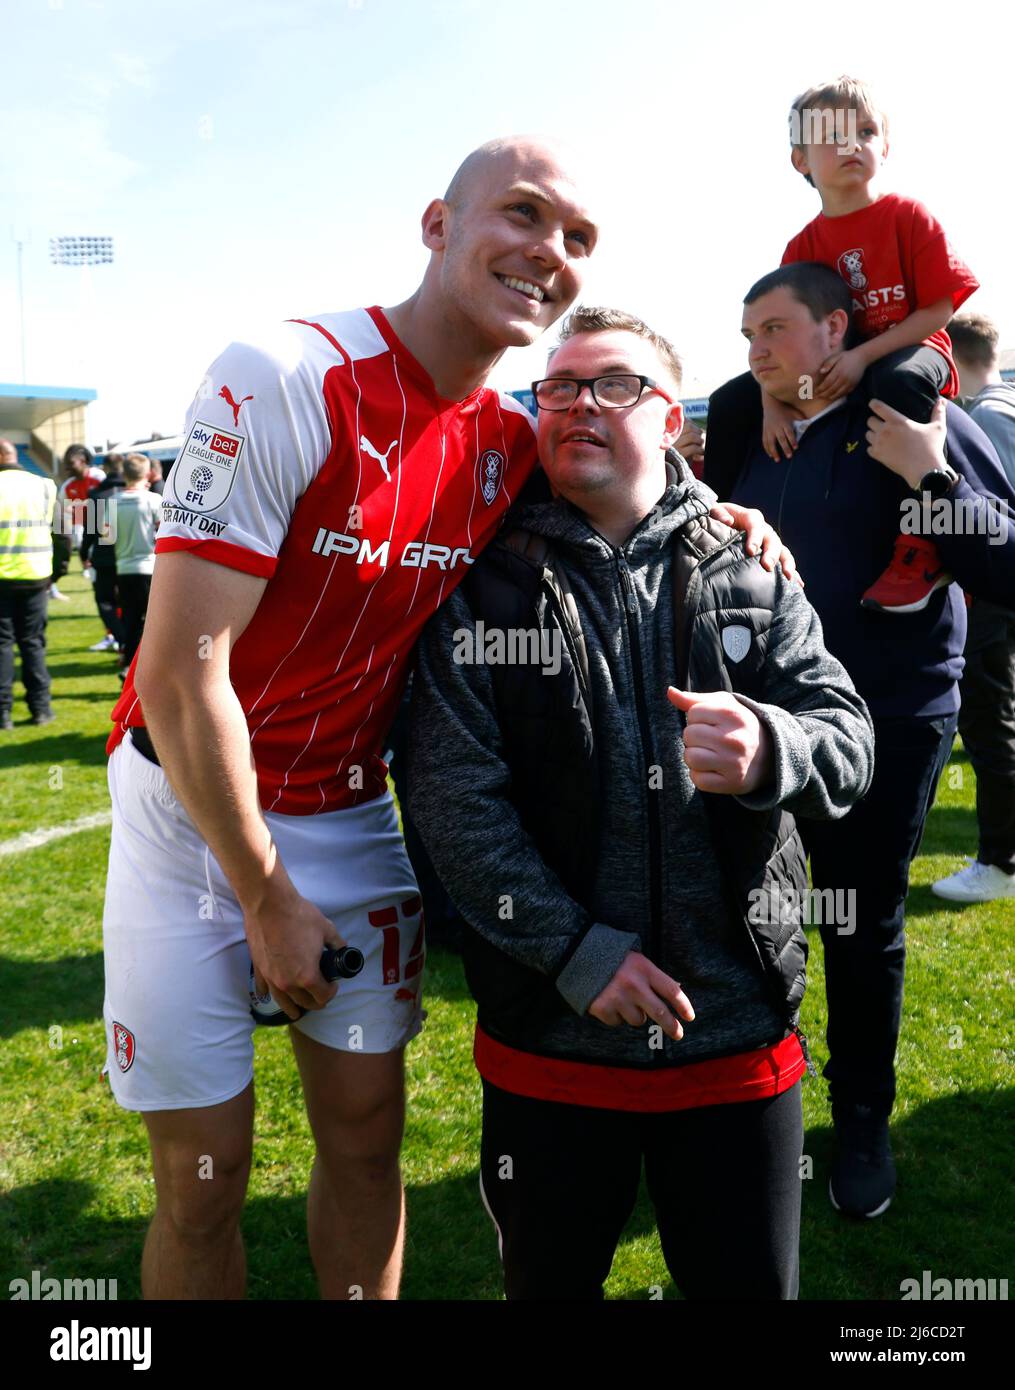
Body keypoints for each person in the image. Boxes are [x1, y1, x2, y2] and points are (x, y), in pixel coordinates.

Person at [100, 136, 790, 1303]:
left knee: (367, 1146)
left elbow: (628, 467)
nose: (550, 253)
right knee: (203, 1179)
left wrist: (718, 510)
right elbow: (180, 671)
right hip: (189, 818)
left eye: (578, 240)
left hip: (349, 811)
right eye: (522, 214)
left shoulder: (506, 435)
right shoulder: (277, 373)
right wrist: (265, 893)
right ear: (435, 223)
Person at [406, 307, 875, 1300]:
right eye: (559, 385)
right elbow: (455, 806)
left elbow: (849, 739)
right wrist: (578, 951)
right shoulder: (482, 582)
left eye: (610, 383)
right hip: (552, 1046)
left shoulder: (753, 564)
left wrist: (772, 749)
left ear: (669, 416)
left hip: (736, 1041)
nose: (577, 402)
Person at [720, 262, 1015, 1220]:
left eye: (773, 327)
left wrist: (928, 471)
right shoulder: (744, 427)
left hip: (893, 710)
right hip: (768, 719)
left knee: (855, 921)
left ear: (836, 326)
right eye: (746, 332)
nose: (756, 348)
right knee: (748, 910)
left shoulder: (913, 414)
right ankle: (753, 1097)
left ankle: (859, 1121)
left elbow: (1004, 561)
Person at [706, 75, 979, 614]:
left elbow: (939, 309)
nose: (852, 144)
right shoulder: (801, 245)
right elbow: (780, 332)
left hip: (911, 349)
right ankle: (711, 536)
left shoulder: (908, 214)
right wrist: (771, 402)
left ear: (886, 145)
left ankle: (921, 544)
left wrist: (861, 355)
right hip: (831, 371)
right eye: (831, 136)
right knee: (727, 402)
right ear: (800, 161)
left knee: (894, 382)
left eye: (866, 131)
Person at [931, 313, 1015, 903]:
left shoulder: (983, 417)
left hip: (994, 596)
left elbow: (993, 521)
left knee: (991, 727)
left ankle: (1002, 862)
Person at [0, 437, 57, 728]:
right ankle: (41, 709)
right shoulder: (45, 485)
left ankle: (3, 714)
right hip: (36, 574)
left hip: (3, 579)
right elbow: (61, 531)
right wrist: (56, 572)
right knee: (33, 643)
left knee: (2, 645)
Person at [112, 454, 161, 668]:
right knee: (155, 623)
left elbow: (106, 537)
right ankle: (154, 668)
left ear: (124, 474)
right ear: (148, 473)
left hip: (124, 568)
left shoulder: (112, 502)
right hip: (150, 567)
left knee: (130, 621)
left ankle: (128, 667)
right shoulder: (154, 500)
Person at [83, 453, 125, 654]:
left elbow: (90, 530)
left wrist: (84, 553)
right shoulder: (135, 492)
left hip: (106, 556)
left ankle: (123, 640)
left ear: (105, 468)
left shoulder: (97, 494)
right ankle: (128, 643)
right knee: (130, 604)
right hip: (132, 555)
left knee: (105, 601)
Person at [52, 444, 104, 601]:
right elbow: (59, 508)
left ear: (82, 461)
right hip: (80, 518)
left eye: (70, 464)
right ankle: (88, 569)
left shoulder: (99, 477)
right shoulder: (68, 486)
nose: (68, 468)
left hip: (100, 519)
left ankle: (97, 575)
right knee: (80, 540)